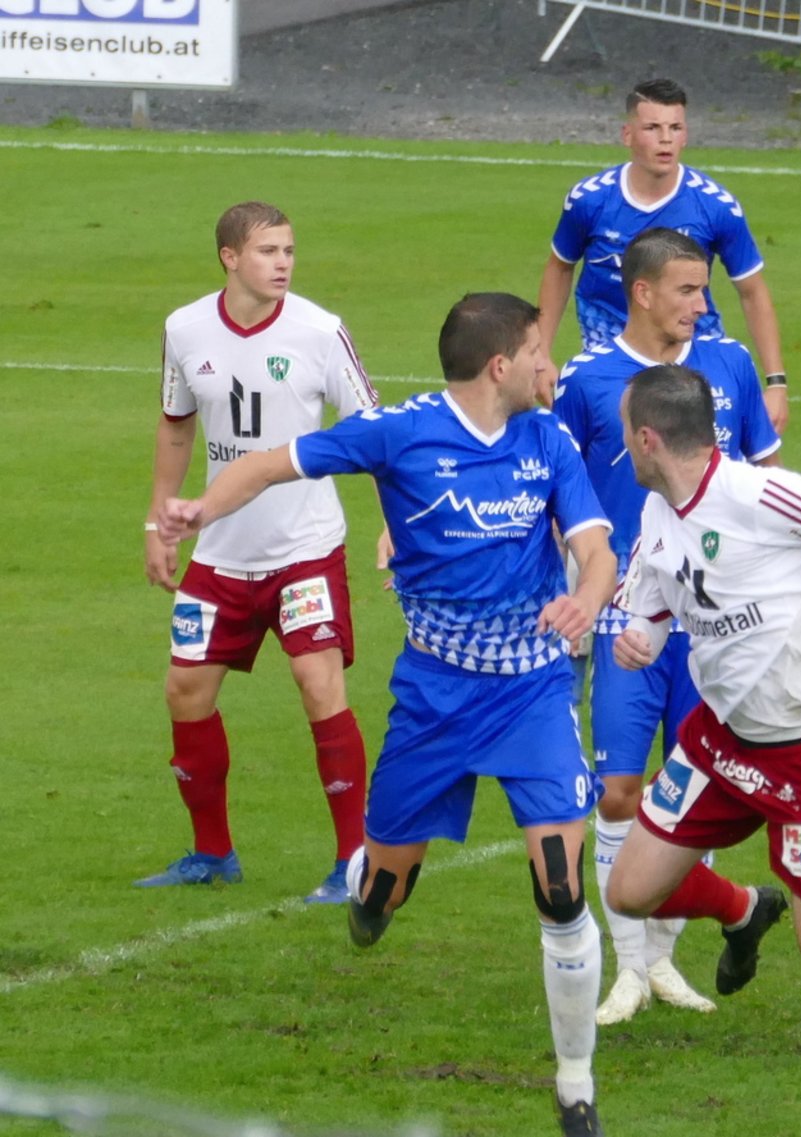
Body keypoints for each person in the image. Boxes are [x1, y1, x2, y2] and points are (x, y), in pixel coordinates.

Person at [159, 293, 620, 1136]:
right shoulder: (401, 434)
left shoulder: (549, 440)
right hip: (434, 700)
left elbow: (595, 547)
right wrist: (199, 511)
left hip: (532, 691)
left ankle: (576, 1083)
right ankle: (371, 894)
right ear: (498, 366)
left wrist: (587, 599)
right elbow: (268, 463)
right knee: (382, 894)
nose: (547, 365)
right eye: (535, 351)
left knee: (560, 887)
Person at [600, 363, 801, 1137]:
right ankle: (742, 910)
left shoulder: (757, 492)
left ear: (648, 437)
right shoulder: (656, 505)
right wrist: (643, 635)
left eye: (624, 431)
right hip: (722, 740)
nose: (622, 444)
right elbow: (657, 604)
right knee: (629, 890)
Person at [553, 226, 781, 1025]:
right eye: (687, 289)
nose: (702, 303)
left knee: (695, 794)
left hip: (717, 626)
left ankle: (665, 961)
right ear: (642, 291)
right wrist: (580, 592)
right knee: (617, 792)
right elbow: (557, 492)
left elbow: (766, 479)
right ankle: (626, 967)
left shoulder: (730, 367)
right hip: (628, 621)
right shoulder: (586, 381)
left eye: (706, 287)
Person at [143, 200, 378, 902]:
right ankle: (212, 852)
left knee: (318, 685)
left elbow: (373, 428)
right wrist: (159, 521)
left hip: (305, 549)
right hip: (221, 553)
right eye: (269, 251)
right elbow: (176, 424)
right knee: (185, 691)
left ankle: (354, 862)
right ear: (230, 257)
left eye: (289, 250)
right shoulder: (185, 328)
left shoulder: (319, 330)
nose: (283, 262)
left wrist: (395, 522)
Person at [538, 78, 788, 428]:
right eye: (653, 128)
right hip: (611, 352)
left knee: (711, 460)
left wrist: (776, 382)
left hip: (696, 347)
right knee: (613, 458)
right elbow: (559, 268)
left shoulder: (715, 207)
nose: (666, 138)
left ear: (686, 135)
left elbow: (752, 291)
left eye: (675, 127)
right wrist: (540, 356)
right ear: (627, 135)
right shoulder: (590, 200)